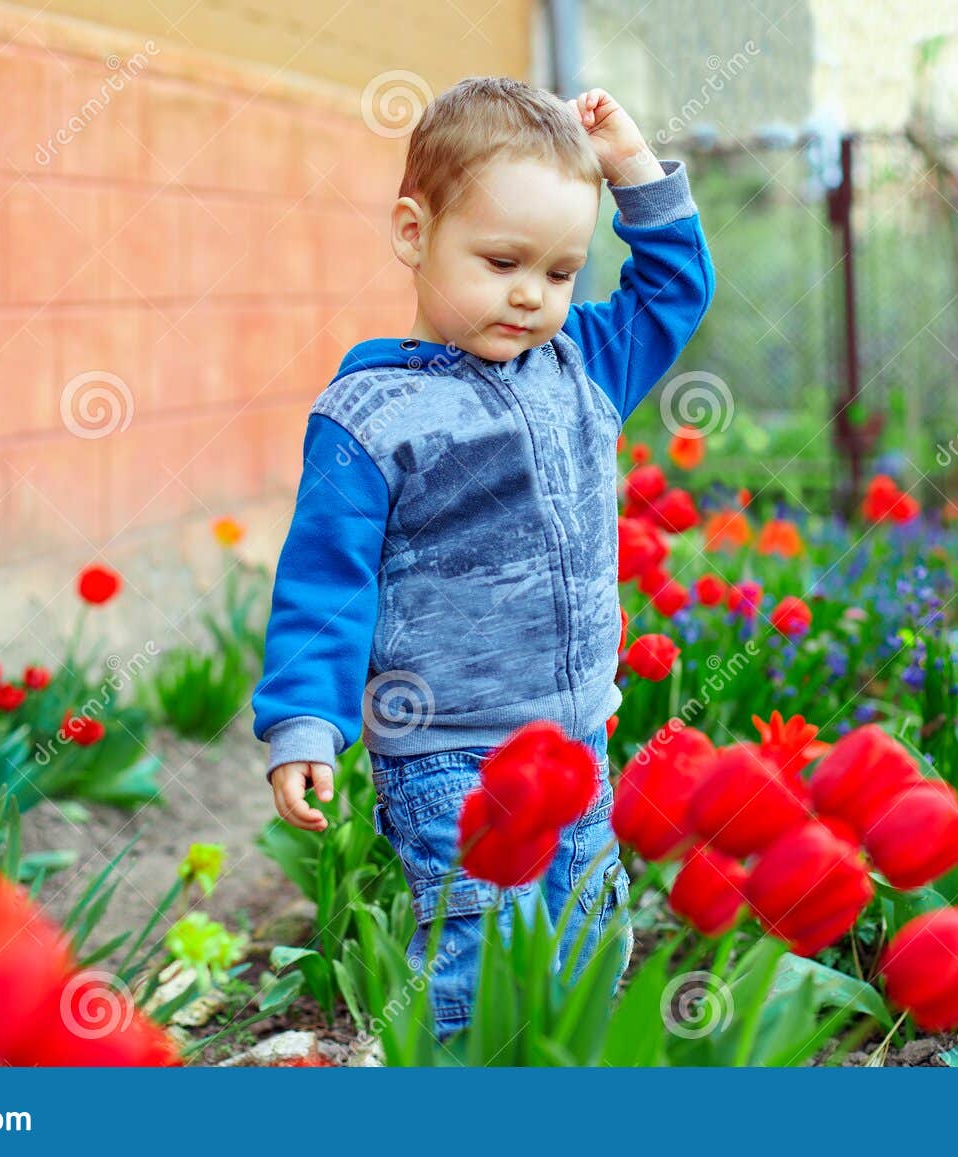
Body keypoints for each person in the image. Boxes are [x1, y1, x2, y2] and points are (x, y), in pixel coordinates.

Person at [251, 75, 715, 1040]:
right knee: (473, 950)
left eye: (558, 273)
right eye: (502, 260)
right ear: (415, 234)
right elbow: (327, 581)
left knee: (590, 941)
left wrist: (634, 172)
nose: (530, 295)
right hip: (445, 744)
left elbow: (675, 290)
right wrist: (304, 721)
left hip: (573, 733)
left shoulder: (585, 363)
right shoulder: (369, 417)